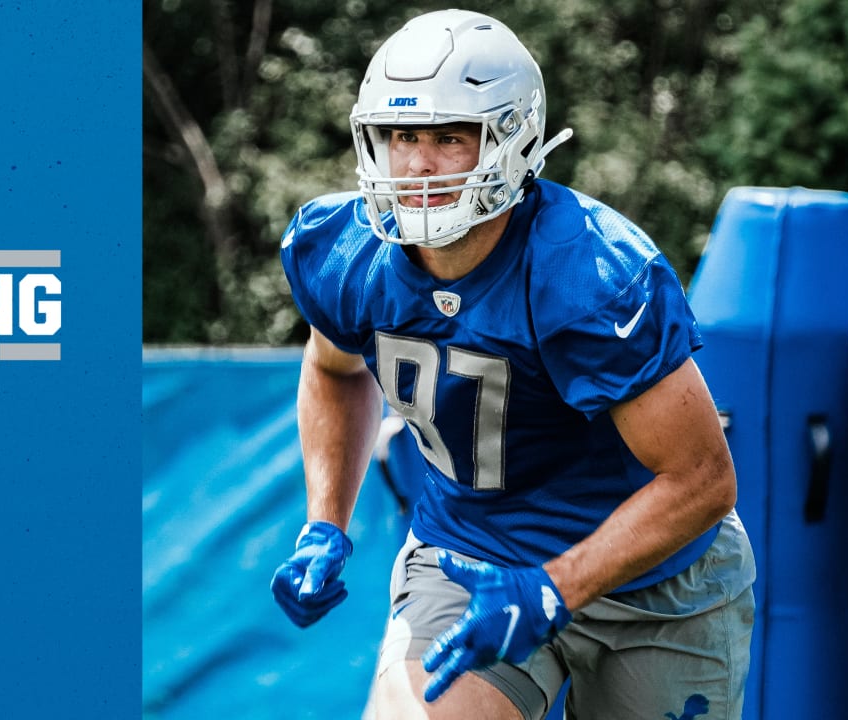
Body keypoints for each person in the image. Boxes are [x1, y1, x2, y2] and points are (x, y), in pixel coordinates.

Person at [269, 9, 756, 720]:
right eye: (402, 135)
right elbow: (334, 372)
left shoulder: (589, 273)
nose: (418, 165)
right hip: (472, 556)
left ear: (511, 137)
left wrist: (554, 587)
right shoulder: (348, 255)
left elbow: (703, 480)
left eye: (449, 137)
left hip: (655, 586)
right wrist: (325, 521)